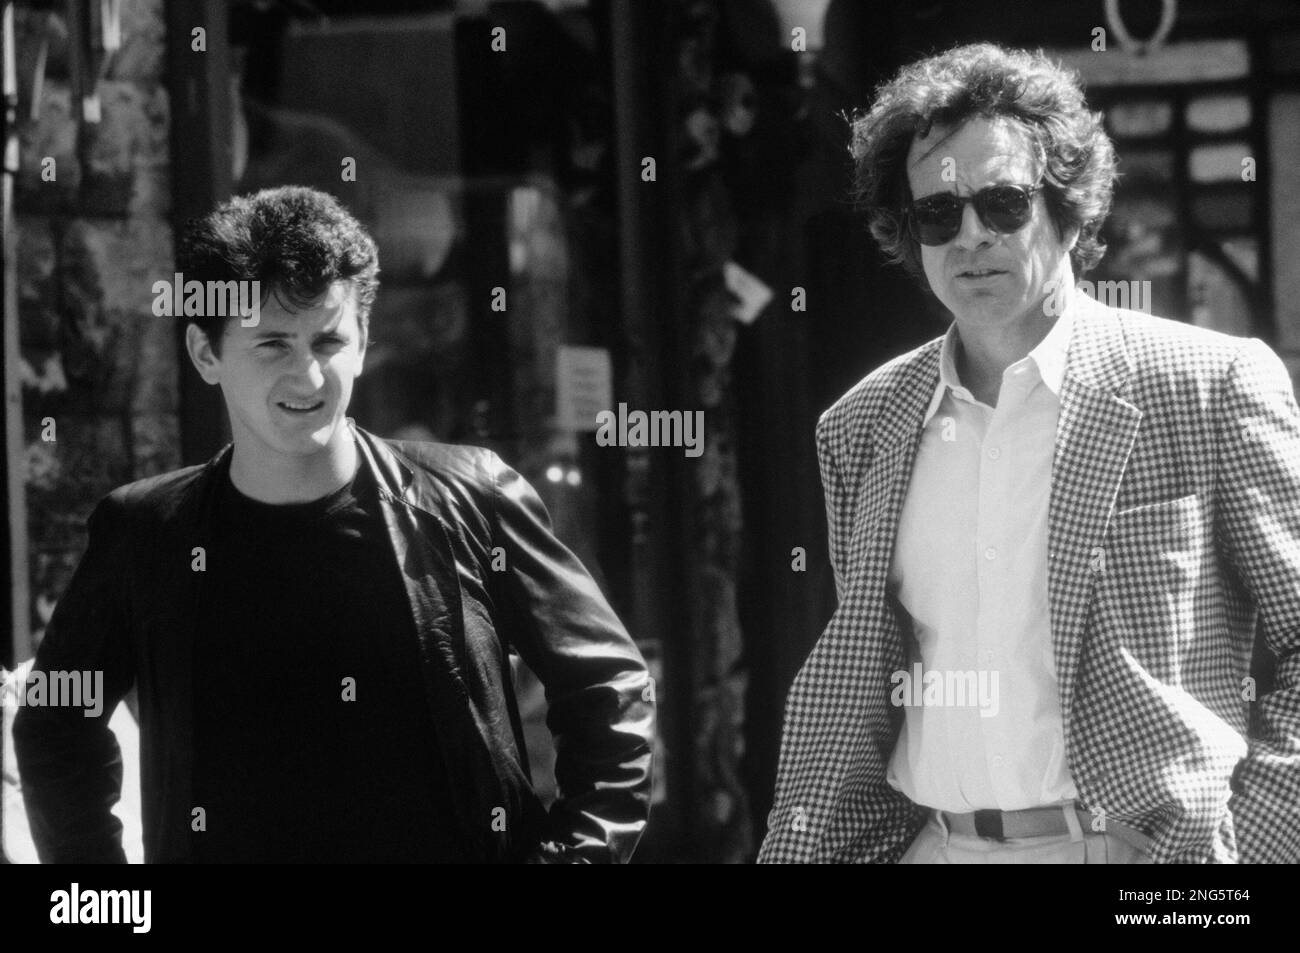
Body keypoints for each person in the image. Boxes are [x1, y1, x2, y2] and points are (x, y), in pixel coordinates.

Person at [759, 43, 1300, 864]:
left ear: (1070, 209)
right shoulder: (860, 425)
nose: (971, 234)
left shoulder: (1209, 385)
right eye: (938, 213)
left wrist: (1251, 856)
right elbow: (868, 675)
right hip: (932, 843)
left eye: (1004, 203)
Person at [15, 185, 654, 864]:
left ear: (364, 341)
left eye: (328, 339)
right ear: (206, 354)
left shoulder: (470, 497)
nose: (309, 372)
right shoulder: (145, 534)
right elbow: (56, 726)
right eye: (272, 344)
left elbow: (609, 686)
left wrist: (575, 856)